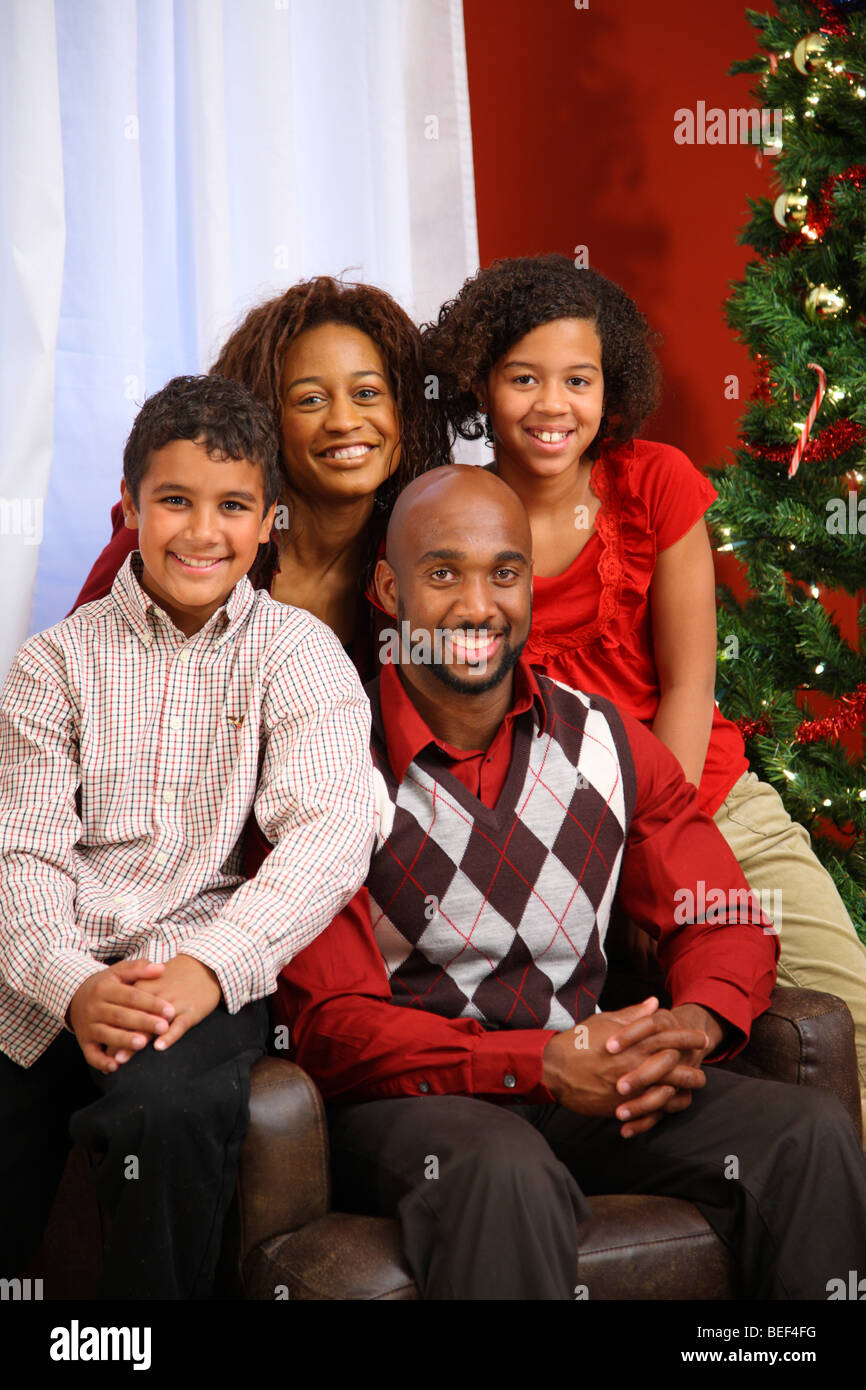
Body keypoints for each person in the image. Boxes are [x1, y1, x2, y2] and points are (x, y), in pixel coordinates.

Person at [272, 465, 866, 1301]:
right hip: (417, 1106)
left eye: (504, 573)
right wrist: (537, 1062)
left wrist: (693, 1023)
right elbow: (334, 1028)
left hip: (589, 1080)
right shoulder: (330, 759)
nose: (479, 604)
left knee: (805, 1131)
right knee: (503, 1166)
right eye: (443, 573)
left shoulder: (605, 740)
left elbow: (721, 911)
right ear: (386, 588)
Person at [421, 253, 866, 1125]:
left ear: (609, 382)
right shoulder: (454, 516)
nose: (554, 406)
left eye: (577, 379)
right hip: (553, 846)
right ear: (481, 382)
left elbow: (692, 683)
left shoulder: (653, 482)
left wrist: (652, 843)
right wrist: (598, 868)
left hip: (704, 803)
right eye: (524, 378)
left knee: (851, 1006)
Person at [0, 375, 376, 1300]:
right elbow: (22, 852)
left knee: (167, 1112)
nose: (202, 532)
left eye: (233, 507)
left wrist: (207, 970)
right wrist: (73, 985)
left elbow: (332, 832)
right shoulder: (54, 663)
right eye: (174, 501)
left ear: (267, 523)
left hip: (203, 967)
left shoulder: (295, 655)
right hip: (56, 968)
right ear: (127, 507)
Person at [73, 275, 451, 661]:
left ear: (405, 408)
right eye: (311, 400)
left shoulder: (423, 544)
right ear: (266, 418)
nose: (344, 420)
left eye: (366, 393)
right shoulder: (175, 528)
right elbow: (82, 663)